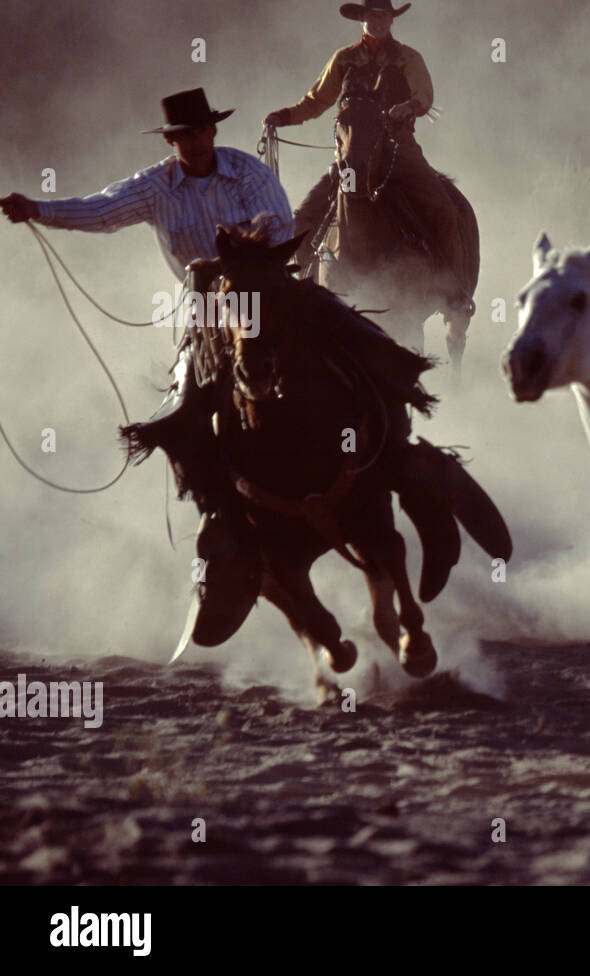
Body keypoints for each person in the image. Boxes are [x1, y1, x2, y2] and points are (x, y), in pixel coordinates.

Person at [1, 88, 294, 644]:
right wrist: (39, 208)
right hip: (209, 318)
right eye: (181, 135)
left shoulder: (248, 173)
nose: (192, 140)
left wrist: (232, 264)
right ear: (173, 141)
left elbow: (279, 229)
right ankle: (215, 507)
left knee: (351, 339)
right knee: (182, 413)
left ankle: (394, 432)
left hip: (271, 298)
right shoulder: (155, 188)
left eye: (198, 131)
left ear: (213, 131)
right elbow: (101, 210)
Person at [264, 0, 471, 312]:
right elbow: (317, 100)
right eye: (372, 15)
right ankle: (304, 289)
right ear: (362, 18)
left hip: (399, 155)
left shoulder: (406, 58)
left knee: (444, 209)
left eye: (384, 16)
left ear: (391, 18)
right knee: (302, 220)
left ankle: (454, 290)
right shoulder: (344, 59)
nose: (378, 21)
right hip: (349, 157)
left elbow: (424, 95)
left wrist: (409, 107)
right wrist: (283, 116)